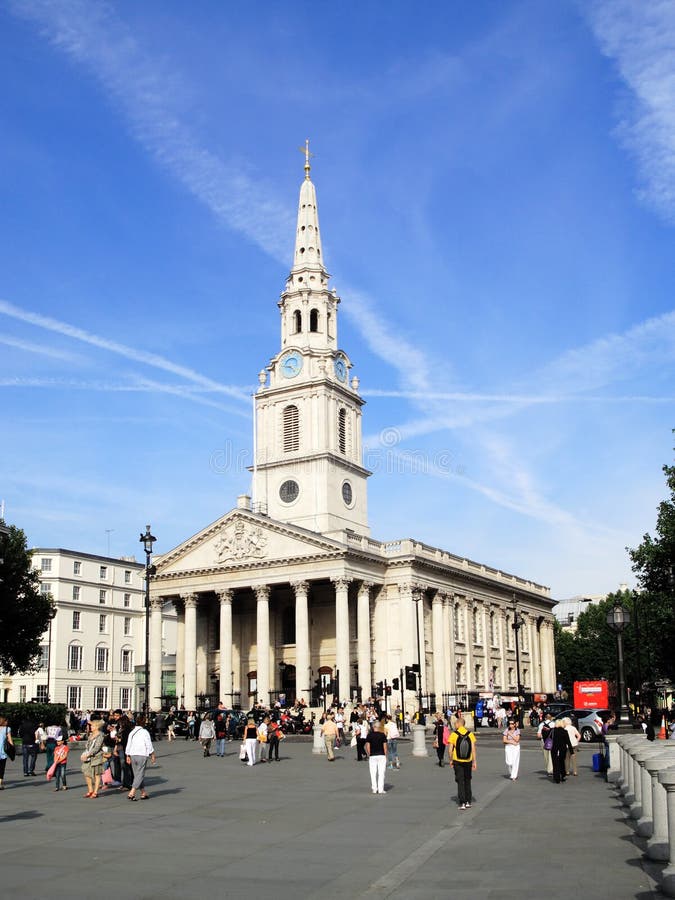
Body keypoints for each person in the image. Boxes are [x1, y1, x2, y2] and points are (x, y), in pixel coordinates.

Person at [448, 715, 477, 810]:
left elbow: (450, 749)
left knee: (460, 781)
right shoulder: (470, 734)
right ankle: (468, 801)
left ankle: (462, 802)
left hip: (458, 760)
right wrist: (474, 761)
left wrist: (451, 760)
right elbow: (473, 749)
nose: (455, 724)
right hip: (468, 760)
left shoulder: (454, 734)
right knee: (467, 780)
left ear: (458, 724)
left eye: (455, 723)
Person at [125, 714, 156, 800]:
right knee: (140, 774)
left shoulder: (132, 732)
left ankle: (143, 792)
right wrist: (152, 754)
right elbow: (148, 744)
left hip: (132, 754)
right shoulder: (145, 732)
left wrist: (127, 755)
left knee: (137, 774)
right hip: (142, 754)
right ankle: (132, 792)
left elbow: (129, 744)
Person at [81, 719, 105, 798]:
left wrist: (88, 755)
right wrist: (85, 753)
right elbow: (87, 745)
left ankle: (95, 792)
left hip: (97, 756)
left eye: (92, 726)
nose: (91, 727)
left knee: (96, 774)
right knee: (86, 772)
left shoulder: (100, 735)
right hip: (88, 756)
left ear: (97, 727)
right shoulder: (91, 735)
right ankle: (90, 790)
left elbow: (97, 747)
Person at [365, 720, 388, 794]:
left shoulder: (369, 735)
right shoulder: (382, 735)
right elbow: (385, 747)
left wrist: (369, 754)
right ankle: (381, 789)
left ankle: (374, 789)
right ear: (379, 727)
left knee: (373, 772)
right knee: (381, 773)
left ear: (373, 727)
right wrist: (385, 755)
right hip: (381, 755)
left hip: (373, 755)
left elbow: (367, 746)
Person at [551, 719, 573, 784]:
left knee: (555, 763)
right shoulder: (564, 731)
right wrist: (571, 751)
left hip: (554, 749)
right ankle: (562, 775)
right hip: (562, 749)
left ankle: (556, 777)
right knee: (561, 762)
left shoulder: (552, 731)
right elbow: (568, 742)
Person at [537, 711, 554, 777]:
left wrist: (543, 736)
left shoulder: (541, 724)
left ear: (545, 718)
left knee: (546, 756)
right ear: (551, 718)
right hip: (551, 741)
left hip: (544, 741)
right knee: (551, 756)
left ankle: (548, 770)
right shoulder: (553, 724)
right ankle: (552, 769)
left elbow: (538, 735)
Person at [0, 714, 14, 790]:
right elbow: (10, 741)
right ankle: (0, 783)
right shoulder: (7, 729)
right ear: (4, 721)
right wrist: (12, 748)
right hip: (2, 752)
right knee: (1, 768)